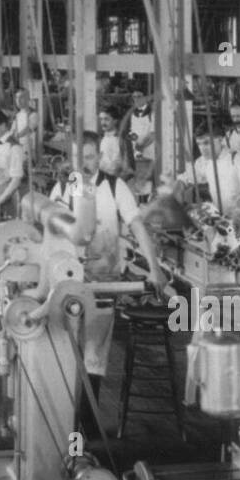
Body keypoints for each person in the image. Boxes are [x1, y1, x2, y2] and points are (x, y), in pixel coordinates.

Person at [67, 130, 161, 431]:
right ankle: (65, 420)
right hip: (68, 279)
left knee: (95, 352)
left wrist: (154, 268)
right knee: (65, 346)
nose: (86, 163)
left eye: (91, 157)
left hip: (105, 278)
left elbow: (137, 226)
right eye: (80, 158)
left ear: (100, 157)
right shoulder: (64, 187)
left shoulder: (115, 186)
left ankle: (89, 426)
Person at [177, 128, 240, 219]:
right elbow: (185, 178)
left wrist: (236, 220)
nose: (202, 149)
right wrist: (179, 188)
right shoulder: (204, 161)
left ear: (221, 140)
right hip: (222, 221)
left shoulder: (238, 160)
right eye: (199, 144)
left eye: (206, 143)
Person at [96, 107, 129, 178]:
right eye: (101, 119)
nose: (103, 122)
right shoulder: (104, 138)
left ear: (115, 121)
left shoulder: (117, 139)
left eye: (106, 119)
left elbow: (116, 165)